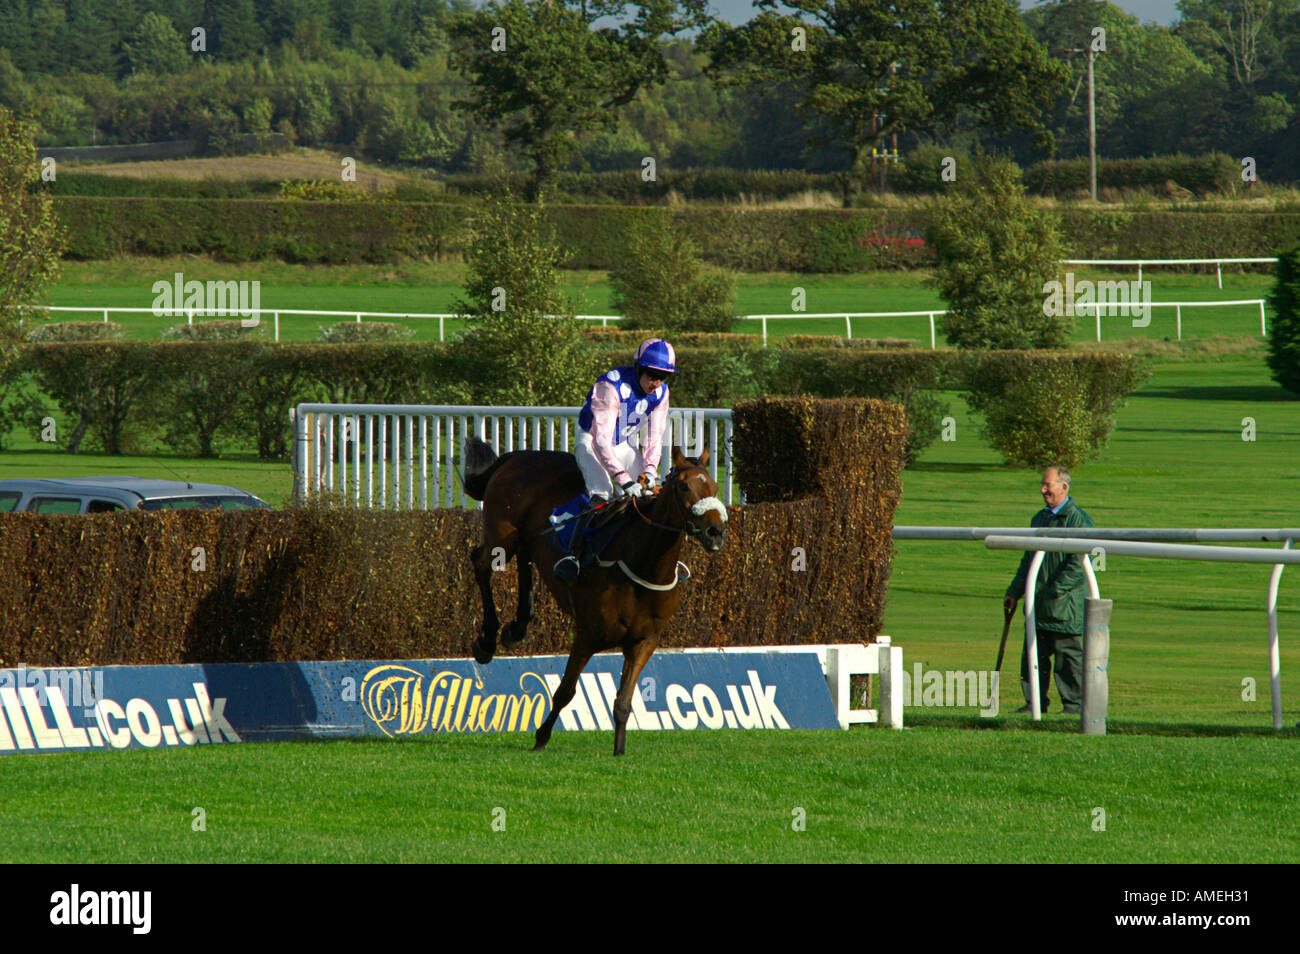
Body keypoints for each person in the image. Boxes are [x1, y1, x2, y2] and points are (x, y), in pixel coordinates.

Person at [553, 338, 676, 583]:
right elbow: (601, 441)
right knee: (603, 493)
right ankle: (573, 557)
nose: (657, 382)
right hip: (591, 440)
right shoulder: (610, 387)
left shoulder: (661, 393)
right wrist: (623, 478)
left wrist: (650, 470)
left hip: (622, 444)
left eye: (664, 376)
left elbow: (654, 436)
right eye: (653, 374)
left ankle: (652, 556)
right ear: (639, 368)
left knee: (652, 493)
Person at [1003, 466, 1094, 714]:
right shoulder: (1039, 519)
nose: (1043, 490)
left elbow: (1079, 565)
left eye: (1048, 485)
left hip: (1064, 605)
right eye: (1042, 485)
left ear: (1064, 487)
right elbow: (1028, 560)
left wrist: (1053, 591)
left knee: (1067, 657)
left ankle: (1074, 706)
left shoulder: (1079, 520)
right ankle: (1035, 703)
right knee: (1033, 655)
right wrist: (1015, 591)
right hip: (1038, 602)